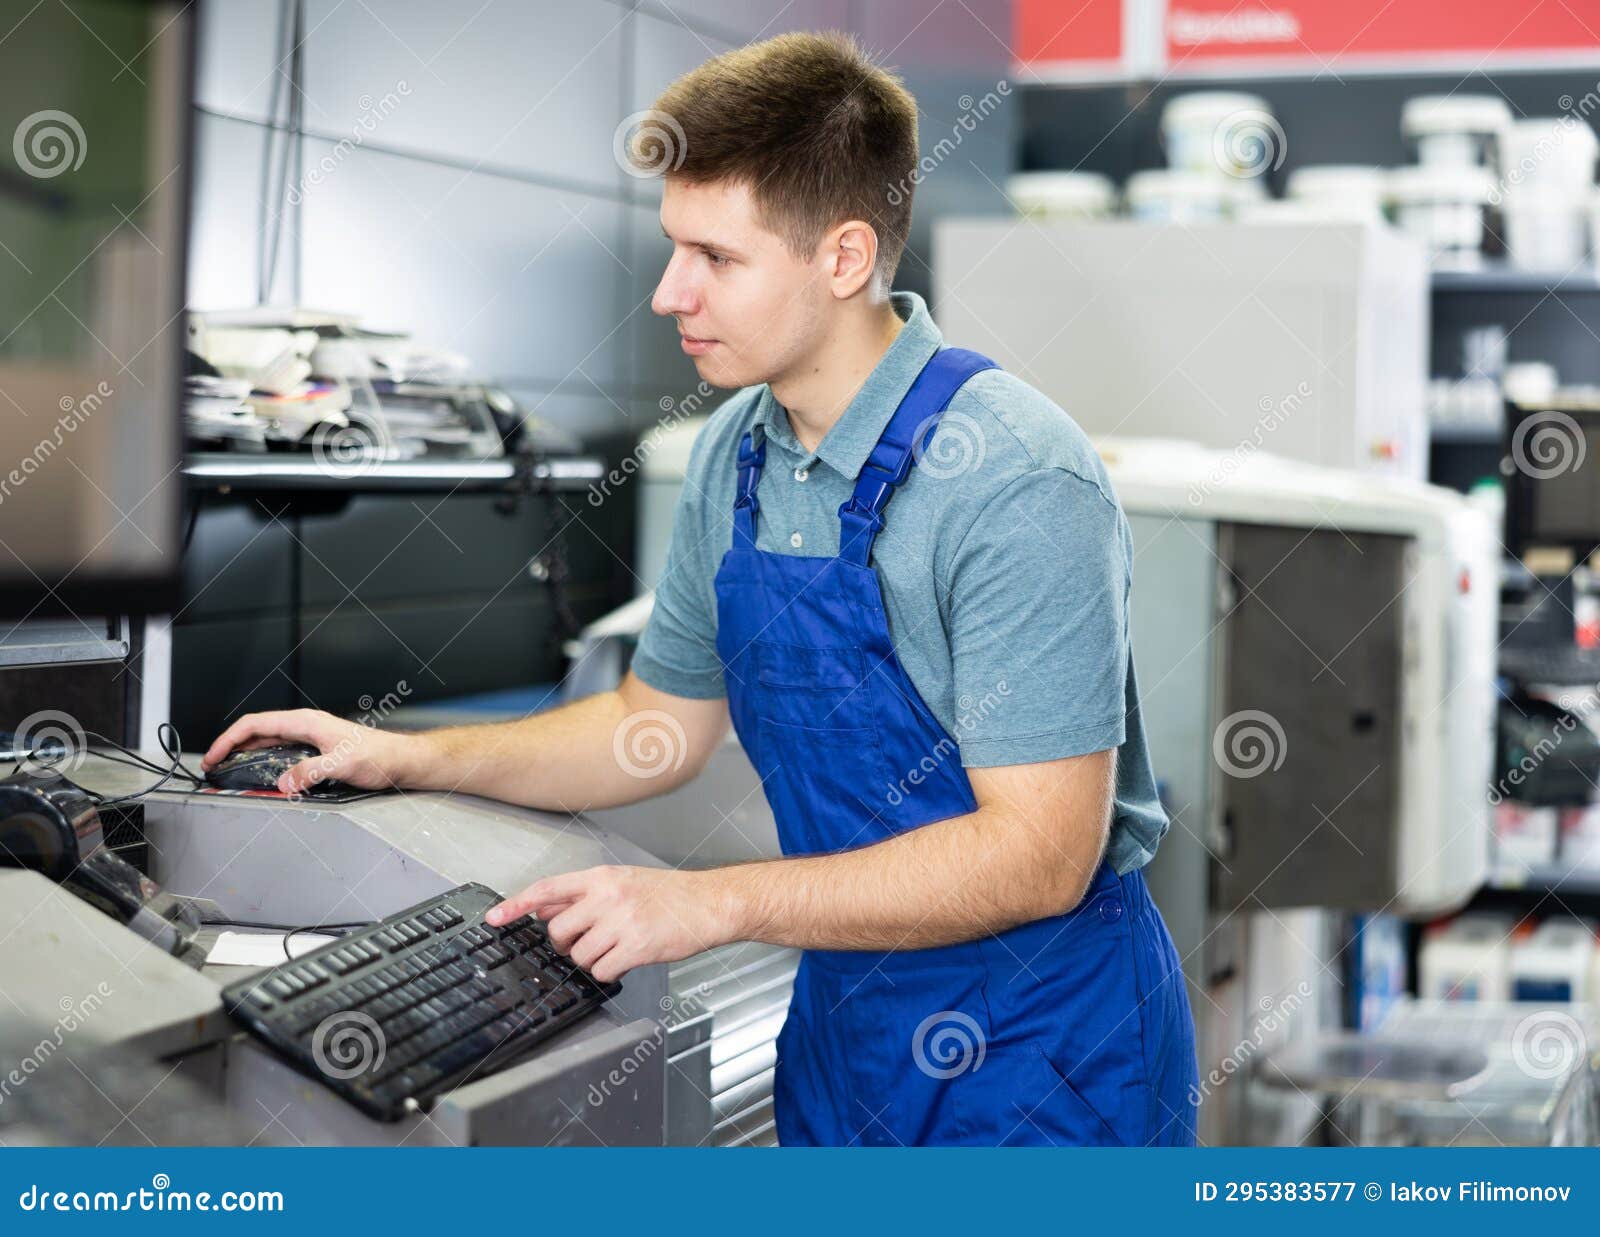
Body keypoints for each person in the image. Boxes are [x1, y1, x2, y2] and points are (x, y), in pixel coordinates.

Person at [203, 31, 1198, 1148]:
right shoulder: (738, 449)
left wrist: (711, 901)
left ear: (844, 256)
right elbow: (653, 727)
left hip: (1044, 1054)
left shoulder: (1014, 475)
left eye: (716, 258)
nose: (672, 292)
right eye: (673, 247)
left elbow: (1039, 856)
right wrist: (403, 753)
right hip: (849, 1025)